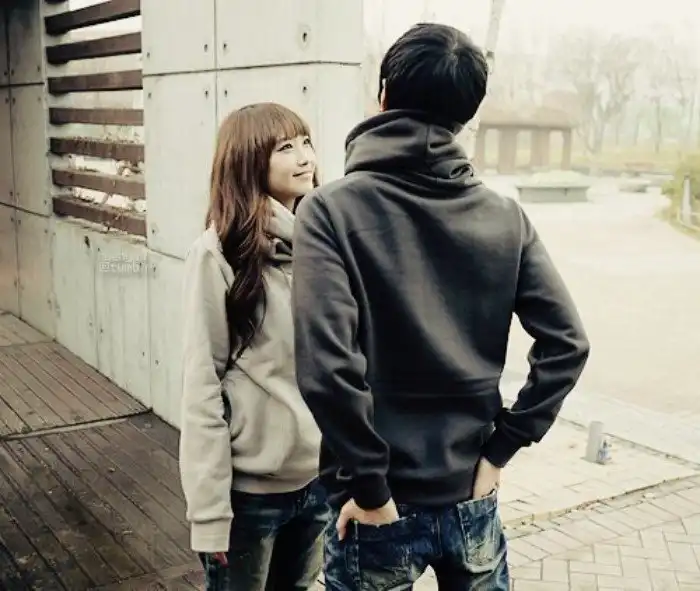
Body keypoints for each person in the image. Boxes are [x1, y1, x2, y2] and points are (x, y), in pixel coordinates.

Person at [291, 23, 590, 591]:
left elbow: (327, 369)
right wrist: (500, 450)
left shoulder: (329, 211)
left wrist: (371, 489)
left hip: (375, 506)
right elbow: (568, 345)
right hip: (470, 492)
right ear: (466, 114)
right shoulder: (506, 217)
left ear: (384, 93)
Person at [179, 102, 330, 591]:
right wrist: (209, 513)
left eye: (306, 142)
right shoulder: (217, 253)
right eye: (285, 147)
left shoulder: (323, 243)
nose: (305, 157)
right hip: (250, 496)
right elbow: (202, 384)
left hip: (319, 480)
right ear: (247, 162)